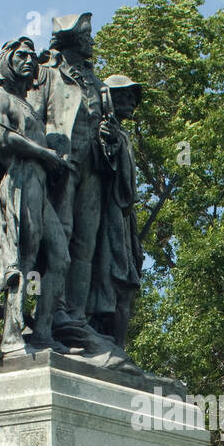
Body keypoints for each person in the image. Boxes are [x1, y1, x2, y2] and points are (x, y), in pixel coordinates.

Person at [0, 36, 73, 357]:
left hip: (39, 185)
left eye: (32, 57)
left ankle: (43, 331)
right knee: (23, 260)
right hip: (19, 182)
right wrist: (45, 154)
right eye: (21, 55)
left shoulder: (27, 106)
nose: (29, 61)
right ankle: (11, 335)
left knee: (60, 258)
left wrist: (53, 162)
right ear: (6, 61)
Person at [29, 13, 108, 332]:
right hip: (61, 165)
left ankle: (76, 315)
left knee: (86, 243)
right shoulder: (46, 74)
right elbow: (31, 117)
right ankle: (51, 309)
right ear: (73, 38)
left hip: (94, 165)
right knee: (58, 237)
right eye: (86, 35)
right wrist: (49, 154)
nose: (91, 41)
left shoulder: (96, 81)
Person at [92, 75, 144, 346]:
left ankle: (118, 350)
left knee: (126, 287)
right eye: (125, 96)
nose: (132, 102)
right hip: (108, 218)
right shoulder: (106, 130)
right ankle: (111, 347)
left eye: (133, 98)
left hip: (124, 219)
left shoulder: (122, 134)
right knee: (117, 283)